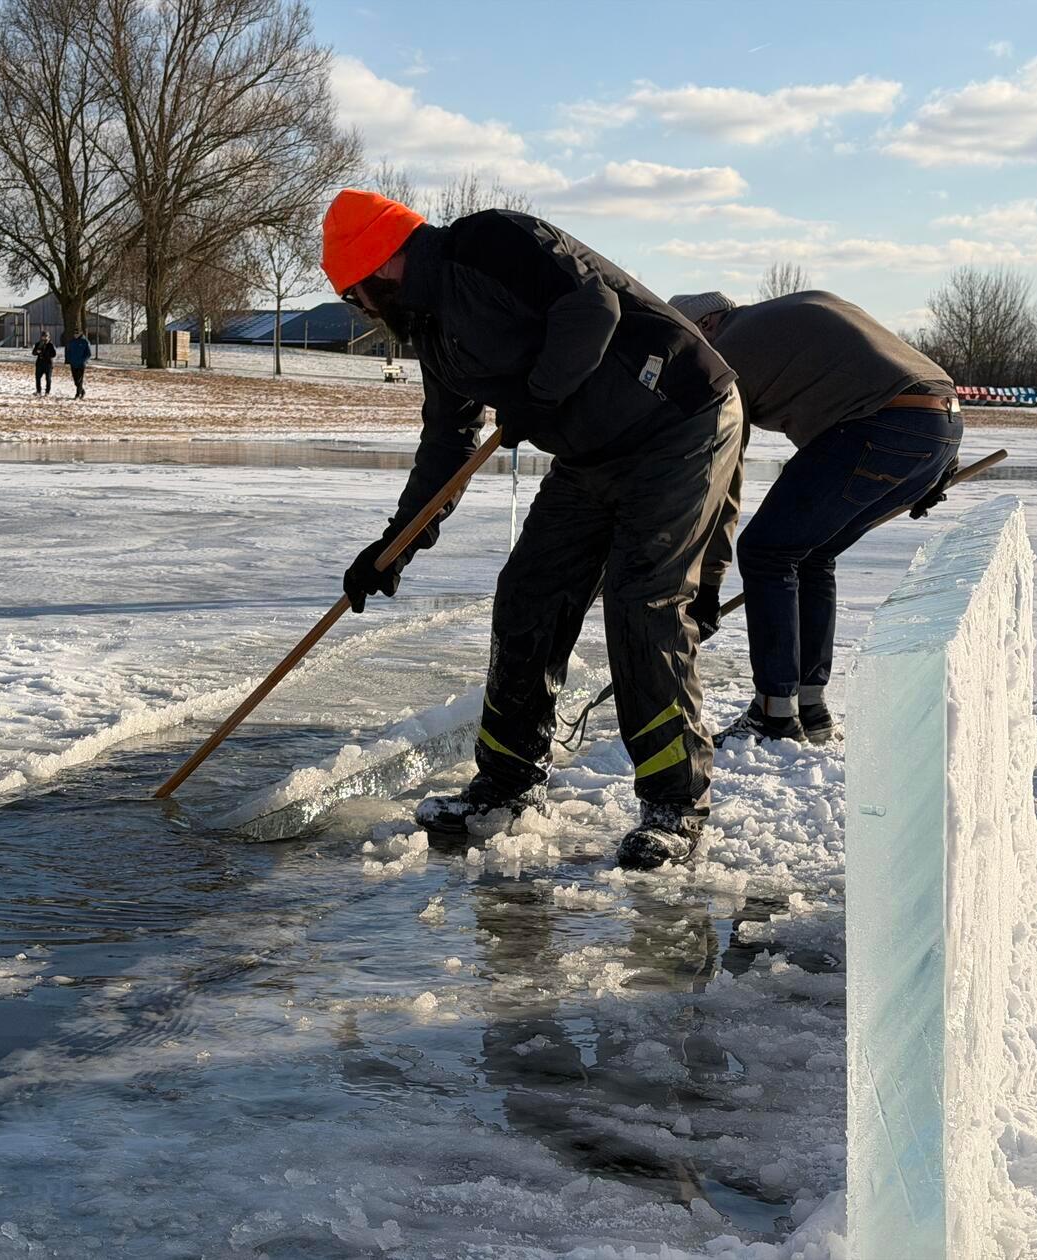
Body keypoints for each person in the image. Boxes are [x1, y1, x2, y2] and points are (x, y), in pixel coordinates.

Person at [323, 188, 742, 870]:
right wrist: (395, 545)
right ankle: (506, 783)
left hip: (676, 418)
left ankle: (674, 805)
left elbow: (591, 307)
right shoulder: (433, 330)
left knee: (641, 605)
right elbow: (448, 441)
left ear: (380, 270)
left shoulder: (489, 242)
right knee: (527, 596)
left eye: (354, 296)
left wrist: (538, 395)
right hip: (588, 452)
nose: (361, 311)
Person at [668, 289, 962, 745]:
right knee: (811, 555)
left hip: (878, 424)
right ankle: (810, 707)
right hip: (941, 425)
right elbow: (902, 368)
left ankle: (774, 713)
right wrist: (935, 470)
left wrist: (707, 587)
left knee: (766, 551)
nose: (688, 355)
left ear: (704, 325)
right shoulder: (793, 311)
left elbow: (723, 477)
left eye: (685, 340)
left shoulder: (722, 355)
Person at [65, 329, 92, 399]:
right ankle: (82, 391)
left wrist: (83, 361)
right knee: (75, 381)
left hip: (81, 364)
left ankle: (78, 394)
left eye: (77, 333)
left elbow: (88, 354)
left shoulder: (85, 342)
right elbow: (68, 351)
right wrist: (69, 360)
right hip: (73, 364)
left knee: (79, 380)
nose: (75, 334)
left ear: (81, 333)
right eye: (74, 333)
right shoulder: (72, 342)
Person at [32, 332, 55, 396]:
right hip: (40, 363)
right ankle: (38, 391)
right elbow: (33, 353)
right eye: (43, 336)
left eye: (46, 336)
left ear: (48, 337)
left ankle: (47, 391)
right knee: (38, 377)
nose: (44, 338)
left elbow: (54, 354)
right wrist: (37, 352)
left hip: (48, 364)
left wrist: (46, 353)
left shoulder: (50, 345)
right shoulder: (38, 344)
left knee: (48, 378)